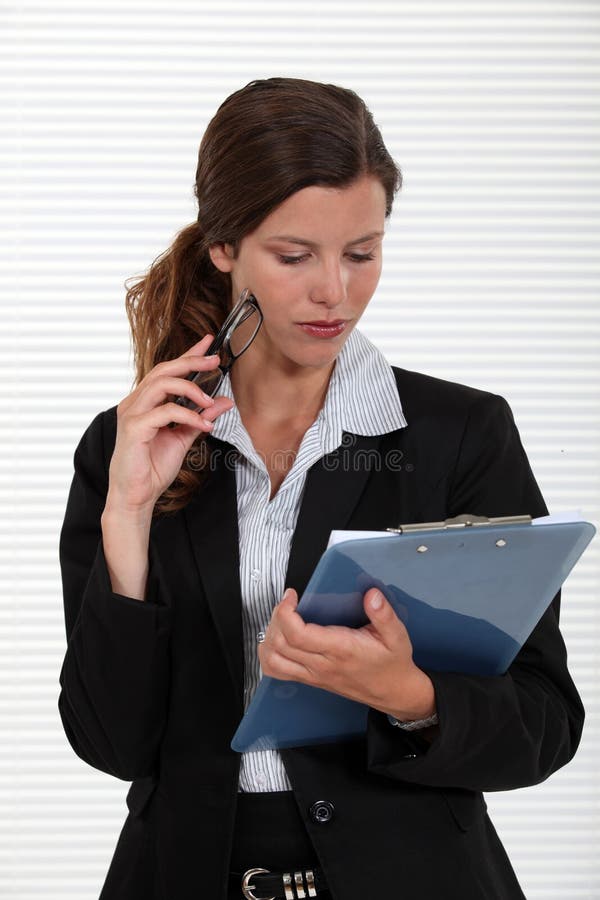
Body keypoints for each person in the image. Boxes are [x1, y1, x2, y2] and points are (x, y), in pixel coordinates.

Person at [58, 77, 584, 900]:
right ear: (223, 246)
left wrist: (410, 697)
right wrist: (126, 513)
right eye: (295, 256)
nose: (333, 292)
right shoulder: (125, 446)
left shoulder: (459, 435)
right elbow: (111, 745)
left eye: (362, 253)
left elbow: (545, 724)